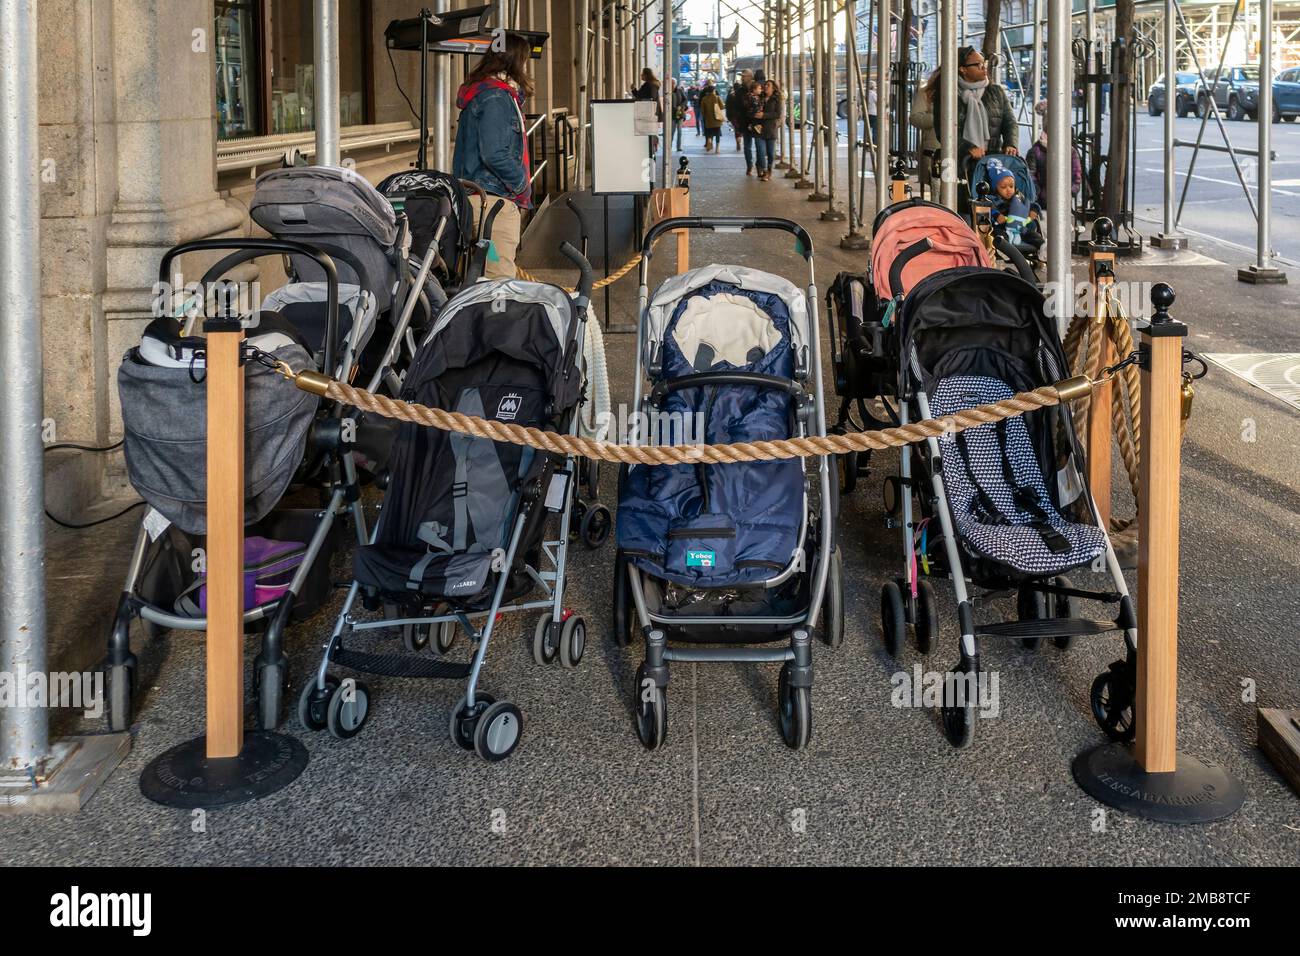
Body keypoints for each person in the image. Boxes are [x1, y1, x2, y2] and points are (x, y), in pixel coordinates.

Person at [452, 32, 535, 281]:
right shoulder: (496, 97)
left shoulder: (483, 92)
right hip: (495, 206)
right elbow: (495, 153)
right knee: (499, 285)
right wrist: (522, 185)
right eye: (525, 59)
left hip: (480, 200)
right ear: (514, 61)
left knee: (486, 278)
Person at [956, 46, 1019, 177]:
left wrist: (1010, 144)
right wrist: (968, 148)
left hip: (994, 162)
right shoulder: (951, 94)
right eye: (977, 64)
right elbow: (944, 131)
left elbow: (1010, 122)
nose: (983, 67)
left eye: (984, 63)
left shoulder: (996, 92)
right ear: (963, 69)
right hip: (962, 163)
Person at [1025, 102, 1082, 212]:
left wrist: (1071, 191)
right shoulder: (1035, 151)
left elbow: (1076, 174)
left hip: (1064, 201)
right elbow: (1030, 175)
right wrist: (1038, 193)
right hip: (1041, 202)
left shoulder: (1070, 151)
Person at [985, 159, 1043, 255]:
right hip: (1002, 226)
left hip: (1020, 227)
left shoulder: (1018, 196)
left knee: (1031, 234)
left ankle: (1042, 245)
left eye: (1011, 186)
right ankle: (1004, 249)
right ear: (995, 188)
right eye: (1003, 187)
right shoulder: (992, 199)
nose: (1008, 190)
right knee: (998, 233)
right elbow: (990, 210)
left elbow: (1031, 204)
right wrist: (997, 216)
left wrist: (1033, 210)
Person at [910, 71, 942, 197]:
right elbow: (914, 117)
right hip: (934, 149)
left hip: (962, 150)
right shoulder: (927, 92)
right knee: (937, 190)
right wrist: (938, 118)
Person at [753, 79, 784, 181]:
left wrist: (763, 115)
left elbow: (777, 114)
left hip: (771, 129)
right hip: (759, 129)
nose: (765, 86)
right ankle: (765, 170)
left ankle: (769, 169)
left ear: (773, 88)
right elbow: (752, 109)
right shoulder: (759, 98)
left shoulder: (777, 99)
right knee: (761, 151)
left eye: (768, 85)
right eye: (765, 85)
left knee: (770, 153)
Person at [632, 67, 663, 155]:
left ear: (646, 75)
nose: (641, 76)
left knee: (649, 135)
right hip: (651, 113)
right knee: (650, 134)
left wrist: (634, 89)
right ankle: (651, 151)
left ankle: (651, 152)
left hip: (649, 113)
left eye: (642, 74)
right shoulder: (651, 84)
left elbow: (646, 98)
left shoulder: (650, 85)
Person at [726, 71, 753, 150]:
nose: (742, 78)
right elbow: (735, 106)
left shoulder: (755, 89)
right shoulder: (739, 91)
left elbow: (728, 106)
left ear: (749, 77)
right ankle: (749, 162)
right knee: (747, 143)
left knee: (756, 142)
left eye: (743, 76)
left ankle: (738, 141)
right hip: (742, 118)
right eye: (742, 76)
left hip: (753, 119)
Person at [699, 81, 726, 153]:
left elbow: (702, 110)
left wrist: (705, 117)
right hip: (717, 119)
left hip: (708, 119)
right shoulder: (717, 97)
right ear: (714, 90)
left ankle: (709, 140)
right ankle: (717, 149)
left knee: (709, 133)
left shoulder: (704, 99)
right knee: (717, 134)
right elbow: (722, 107)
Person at [669, 77, 687, 153]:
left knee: (679, 131)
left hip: (680, 113)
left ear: (675, 84)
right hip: (672, 114)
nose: (672, 84)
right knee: (672, 131)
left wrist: (681, 106)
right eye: (671, 83)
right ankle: (669, 146)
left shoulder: (679, 90)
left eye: (673, 83)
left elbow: (685, 99)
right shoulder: (667, 91)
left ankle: (679, 146)